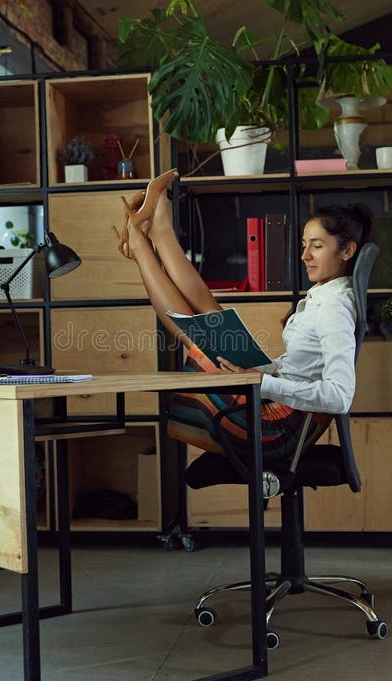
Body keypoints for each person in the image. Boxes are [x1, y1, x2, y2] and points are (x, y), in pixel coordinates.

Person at [114, 170, 373, 494]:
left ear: (347, 251)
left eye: (317, 246)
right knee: (213, 321)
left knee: (202, 340)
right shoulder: (326, 295)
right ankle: (160, 232)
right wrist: (260, 370)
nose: (305, 255)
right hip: (278, 414)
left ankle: (142, 244)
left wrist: (263, 382)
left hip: (280, 433)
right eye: (304, 245)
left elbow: (340, 396)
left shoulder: (335, 306)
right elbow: (302, 369)